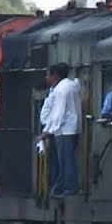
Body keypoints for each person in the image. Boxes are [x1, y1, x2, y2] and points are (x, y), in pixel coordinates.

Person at [35, 62, 81, 196]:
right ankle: (62, 185)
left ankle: (70, 187)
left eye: (48, 75)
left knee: (65, 160)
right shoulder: (71, 85)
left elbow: (58, 114)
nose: (46, 78)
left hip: (64, 130)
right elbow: (77, 85)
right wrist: (76, 75)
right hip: (73, 128)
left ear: (55, 75)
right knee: (67, 159)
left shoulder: (61, 90)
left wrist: (46, 132)